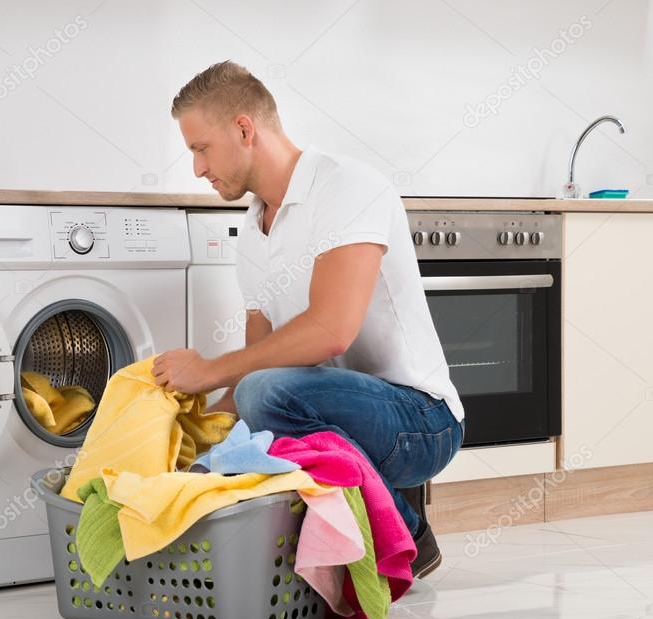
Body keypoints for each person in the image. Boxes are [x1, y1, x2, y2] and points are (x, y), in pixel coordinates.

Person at [151, 61, 464, 578]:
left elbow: (330, 330)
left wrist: (208, 370)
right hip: (340, 415)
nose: (198, 169)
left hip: (421, 421)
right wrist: (195, 445)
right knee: (239, 429)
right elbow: (252, 378)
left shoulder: (348, 188)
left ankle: (407, 531)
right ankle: (365, 513)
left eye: (200, 148)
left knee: (264, 396)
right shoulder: (252, 236)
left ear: (244, 129)